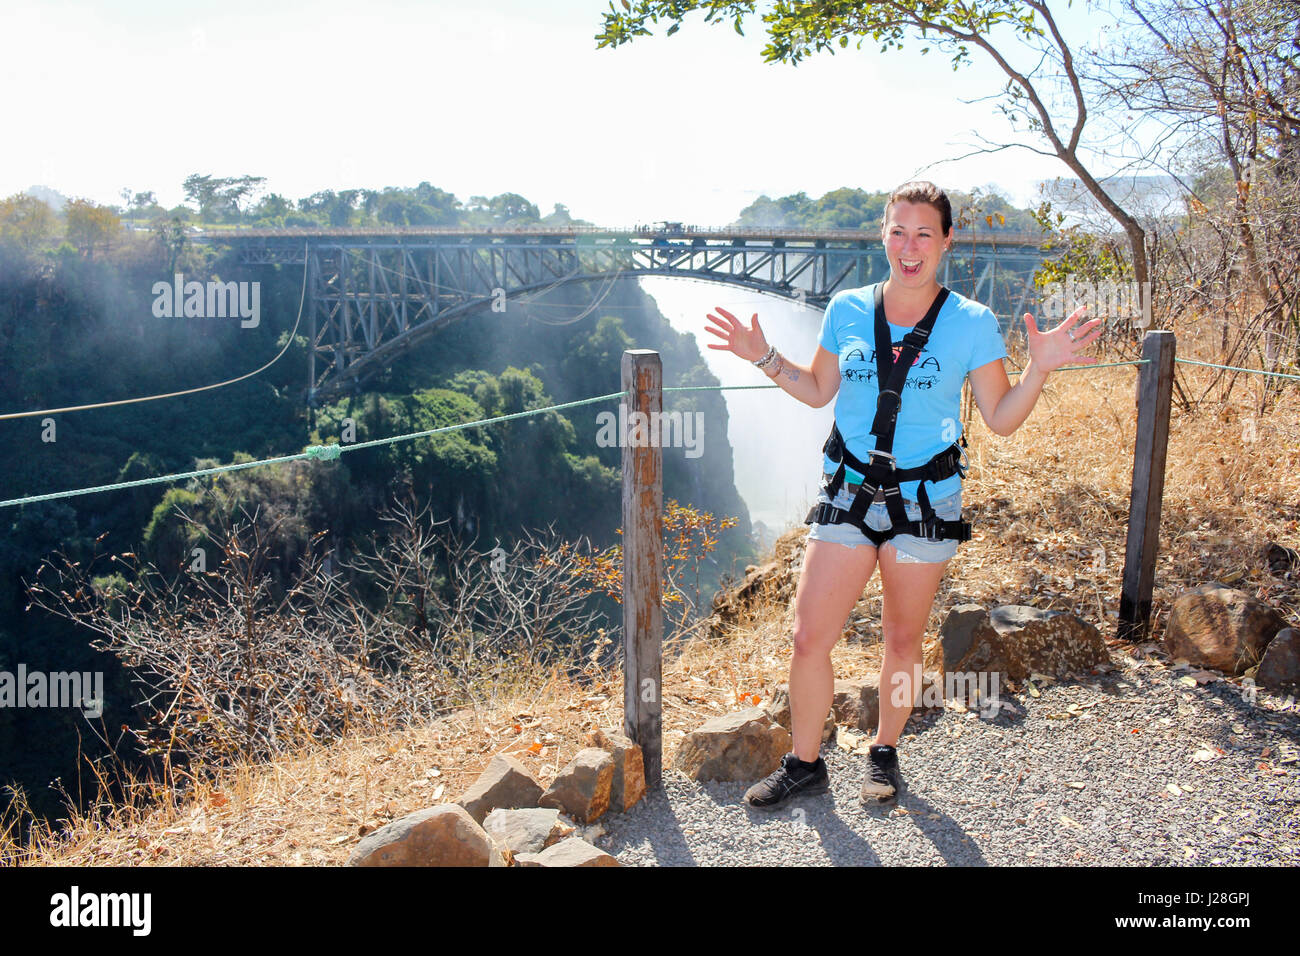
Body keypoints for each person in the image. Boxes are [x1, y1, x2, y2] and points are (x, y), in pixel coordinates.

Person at [703, 181, 1101, 811]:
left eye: (924, 233)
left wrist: (1039, 370)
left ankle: (884, 749)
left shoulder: (971, 322)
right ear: (883, 234)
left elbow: (999, 417)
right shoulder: (847, 310)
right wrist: (765, 356)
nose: (909, 246)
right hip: (850, 493)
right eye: (898, 231)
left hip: (925, 503)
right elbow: (814, 390)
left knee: (901, 638)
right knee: (809, 636)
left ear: (946, 240)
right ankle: (805, 764)